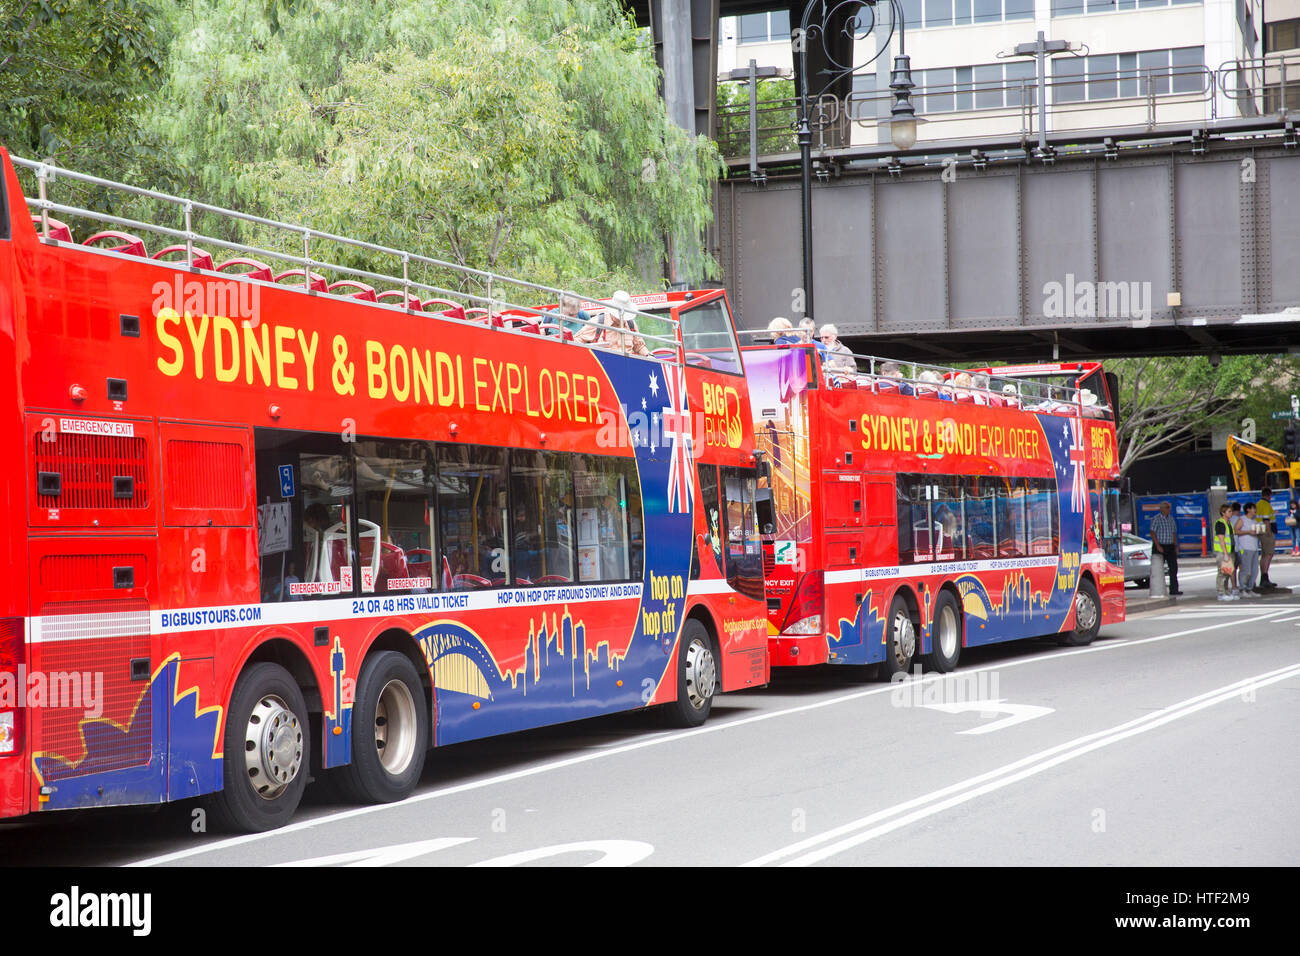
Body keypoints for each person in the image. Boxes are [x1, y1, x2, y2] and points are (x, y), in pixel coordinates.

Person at [576, 290, 651, 356]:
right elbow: (576, 340)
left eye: (625, 316)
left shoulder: (631, 325)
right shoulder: (598, 322)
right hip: (603, 367)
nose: (622, 318)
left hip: (627, 366)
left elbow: (639, 346)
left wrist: (648, 355)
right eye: (620, 316)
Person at [1149, 501, 1181, 595]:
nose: (1169, 510)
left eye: (1169, 508)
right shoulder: (1156, 519)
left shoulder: (1171, 519)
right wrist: (1157, 545)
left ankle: (1174, 590)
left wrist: (1175, 545)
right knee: (1158, 568)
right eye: (1167, 508)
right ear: (1162, 509)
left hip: (1170, 545)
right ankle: (1158, 590)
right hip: (1160, 545)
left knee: (1173, 568)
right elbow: (1152, 532)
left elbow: (1174, 533)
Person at [1235, 502, 1263, 597]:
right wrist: (1248, 532)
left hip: (1254, 548)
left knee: (1255, 570)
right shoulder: (1242, 519)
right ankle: (1242, 589)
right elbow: (1236, 530)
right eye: (1253, 508)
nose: (1255, 510)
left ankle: (1249, 588)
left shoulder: (1254, 521)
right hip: (1245, 548)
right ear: (1248, 509)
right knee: (1246, 570)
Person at [1212, 503, 1238, 602]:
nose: (1231, 513)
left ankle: (1225, 591)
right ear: (1223, 513)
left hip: (1230, 551)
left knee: (1228, 572)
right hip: (1223, 552)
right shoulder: (1220, 523)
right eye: (1229, 511)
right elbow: (1221, 539)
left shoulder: (1228, 523)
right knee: (1222, 572)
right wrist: (1226, 553)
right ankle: (1221, 593)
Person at [1256, 487, 1277, 589]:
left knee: (1264, 555)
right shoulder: (1266, 504)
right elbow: (1266, 519)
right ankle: (1264, 577)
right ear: (1269, 495)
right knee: (1268, 554)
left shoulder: (1258, 504)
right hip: (1266, 531)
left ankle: (1264, 578)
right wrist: (1269, 532)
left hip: (1260, 531)